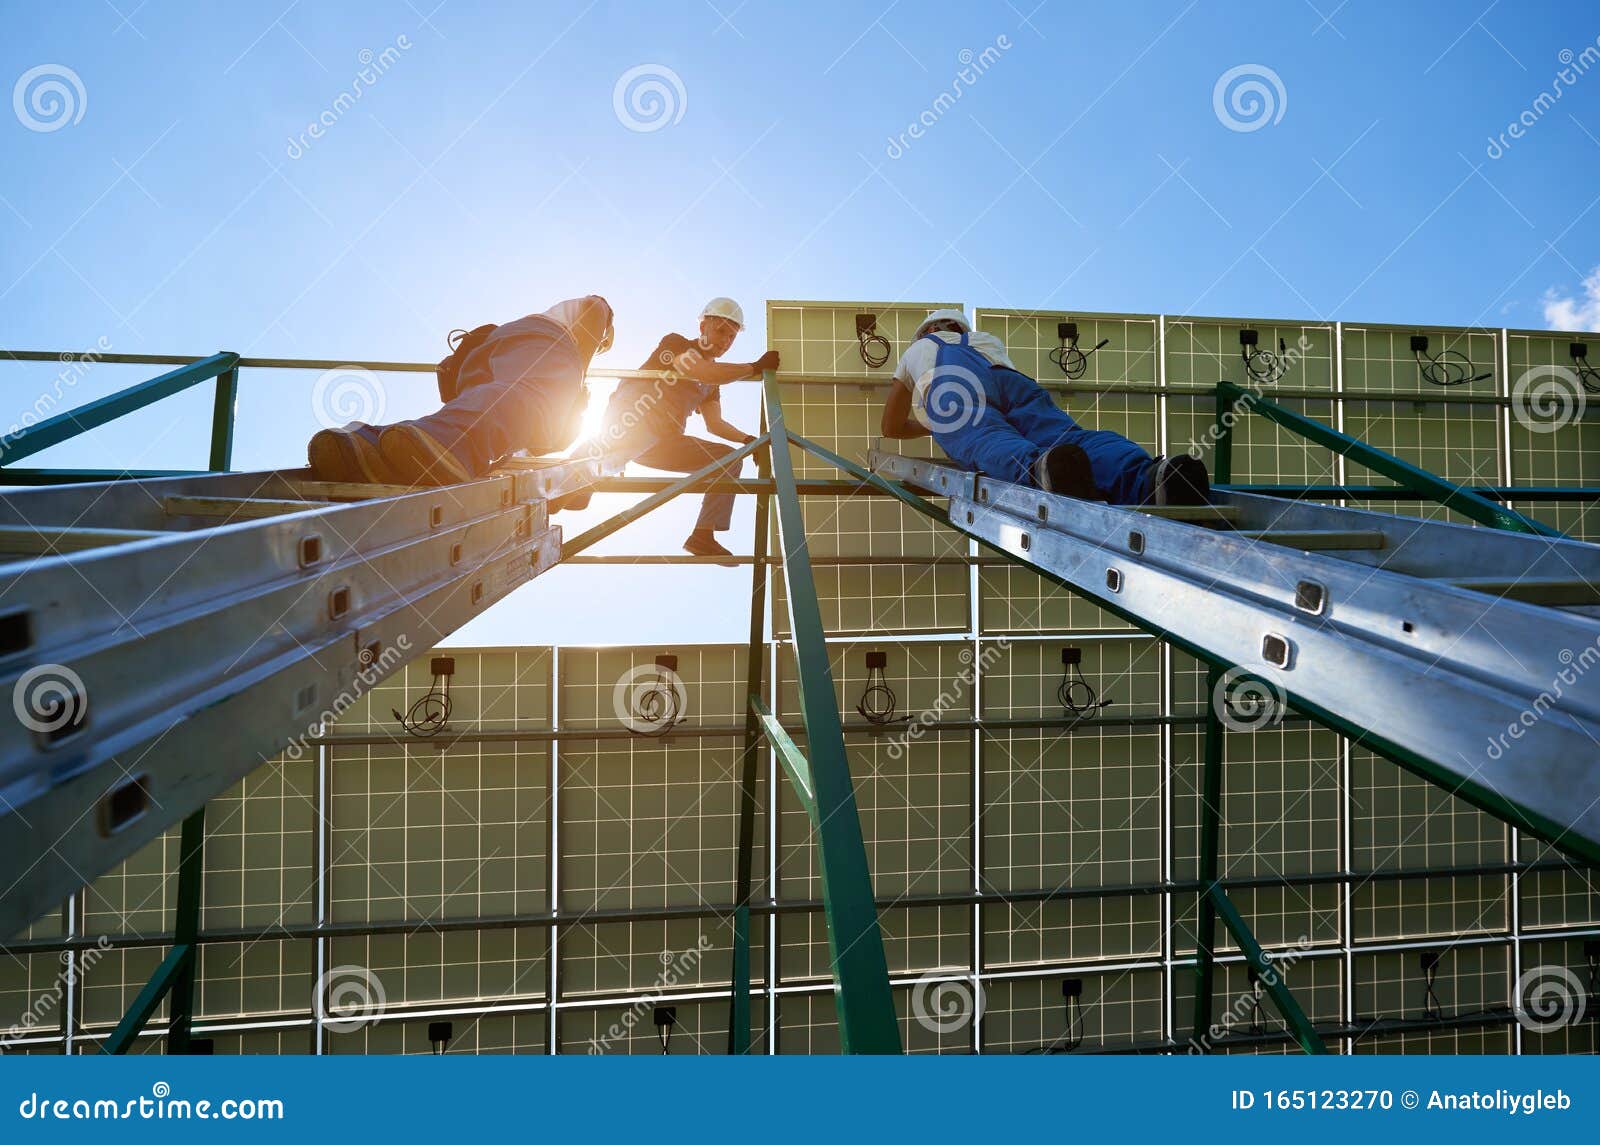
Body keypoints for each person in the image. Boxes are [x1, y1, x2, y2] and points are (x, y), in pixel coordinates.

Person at [879, 308, 1208, 505]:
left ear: (929, 330)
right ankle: (1148, 478)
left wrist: (940, 420)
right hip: (1014, 383)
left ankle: (1042, 472)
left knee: (986, 438)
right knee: (1068, 438)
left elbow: (891, 427)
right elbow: (995, 390)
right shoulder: (986, 340)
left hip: (954, 382)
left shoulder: (921, 348)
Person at [306, 295, 614, 486]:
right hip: (544, 341)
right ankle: (453, 443)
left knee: (491, 405)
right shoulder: (594, 312)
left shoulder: (549, 313)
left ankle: (367, 442)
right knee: (529, 400)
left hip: (490, 349)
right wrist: (578, 381)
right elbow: (594, 316)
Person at [593, 297, 778, 562]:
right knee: (586, 471)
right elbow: (700, 370)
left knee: (729, 460)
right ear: (703, 327)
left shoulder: (713, 382)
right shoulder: (676, 344)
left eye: (732, 336)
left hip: (663, 441)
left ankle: (702, 536)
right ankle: (577, 480)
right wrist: (753, 368)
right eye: (721, 331)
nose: (725, 340)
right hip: (630, 424)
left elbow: (715, 424)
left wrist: (750, 441)